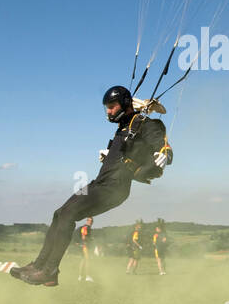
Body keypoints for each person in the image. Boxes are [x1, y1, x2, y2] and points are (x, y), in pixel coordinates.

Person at [12, 86, 172, 287]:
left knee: (69, 215)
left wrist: (164, 155)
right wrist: (110, 156)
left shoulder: (145, 124)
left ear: (124, 104)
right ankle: (39, 265)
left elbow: (164, 146)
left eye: (112, 107)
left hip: (115, 187)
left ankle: (50, 270)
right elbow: (129, 145)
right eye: (107, 107)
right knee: (59, 214)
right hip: (99, 183)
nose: (108, 111)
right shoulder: (124, 127)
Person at [77, 217, 95, 282]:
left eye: (91, 221)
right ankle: (87, 276)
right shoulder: (86, 227)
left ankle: (80, 276)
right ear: (87, 221)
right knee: (87, 260)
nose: (90, 222)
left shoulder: (86, 227)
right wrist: (90, 239)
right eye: (89, 220)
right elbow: (83, 236)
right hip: (85, 246)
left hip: (83, 245)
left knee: (83, 260)